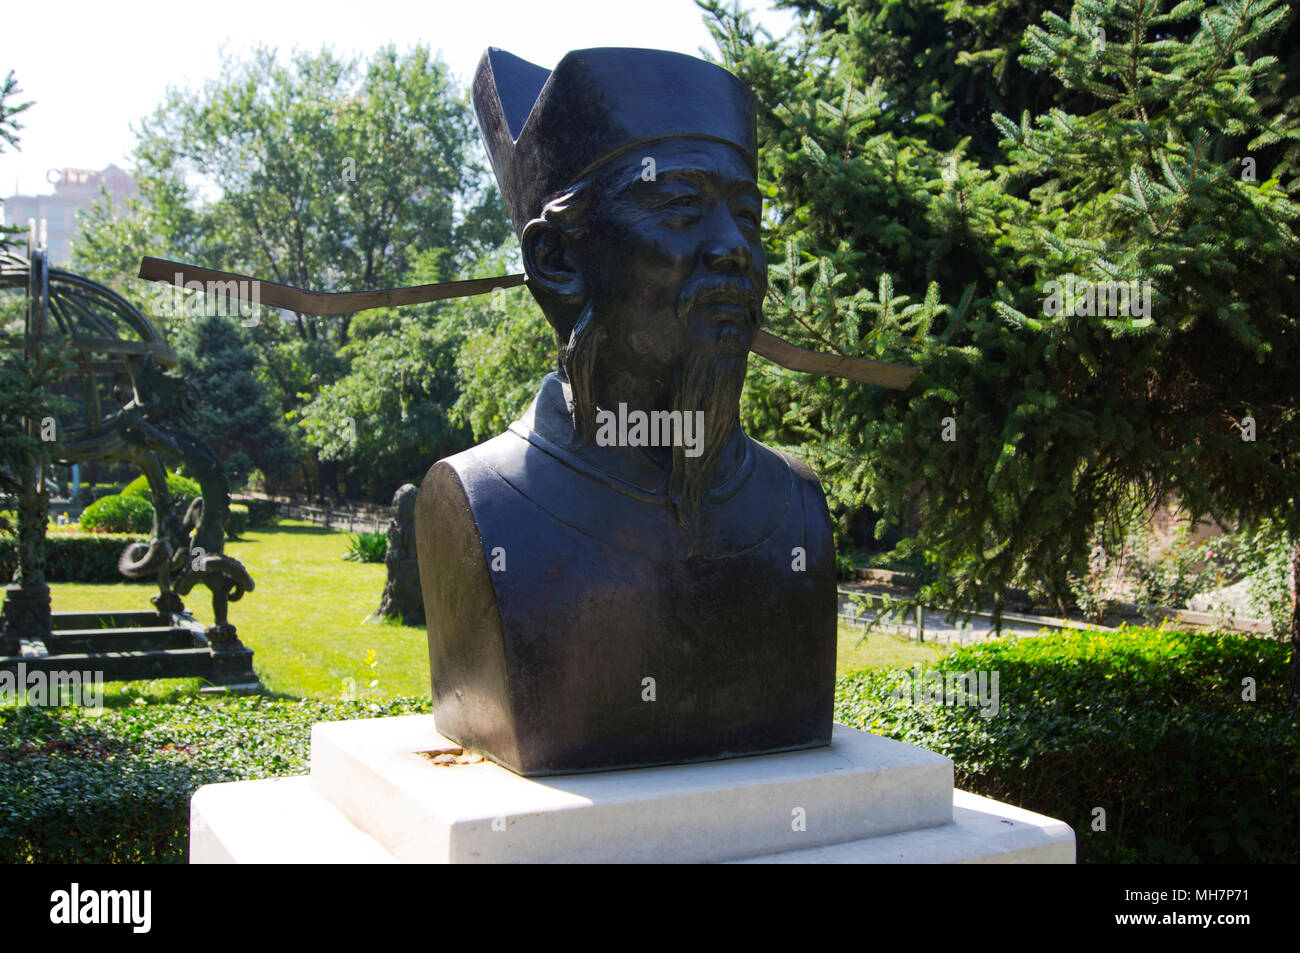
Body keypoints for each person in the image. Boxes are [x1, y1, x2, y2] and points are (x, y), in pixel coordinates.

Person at [415, 48, 836, 776]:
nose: (735, 250)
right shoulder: (479, 505)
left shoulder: (796, 506)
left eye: (748, 216)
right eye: (678, 206)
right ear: (558, 262)